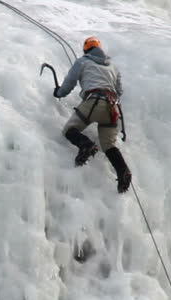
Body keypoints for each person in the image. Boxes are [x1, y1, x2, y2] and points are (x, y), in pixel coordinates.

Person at [54, 36, 131, 193]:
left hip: (94, 102)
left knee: (70, 130)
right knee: (108, 145)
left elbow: (70, 83)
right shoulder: (113, 67)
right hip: (112, 108)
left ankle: (86, 146)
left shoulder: (83, 61)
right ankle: (123, 171)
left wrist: (59, 93)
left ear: (86, 49)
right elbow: (119, 91)